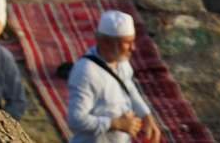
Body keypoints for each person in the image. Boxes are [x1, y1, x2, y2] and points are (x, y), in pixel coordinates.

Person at [66, 9, 163, 142]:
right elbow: (76, 119)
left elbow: (129, 89)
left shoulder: (121, 62)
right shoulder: (85, 73)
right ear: (106, 43)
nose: (133, 48)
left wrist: (146, 116)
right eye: (127, 42)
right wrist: (115, 124)